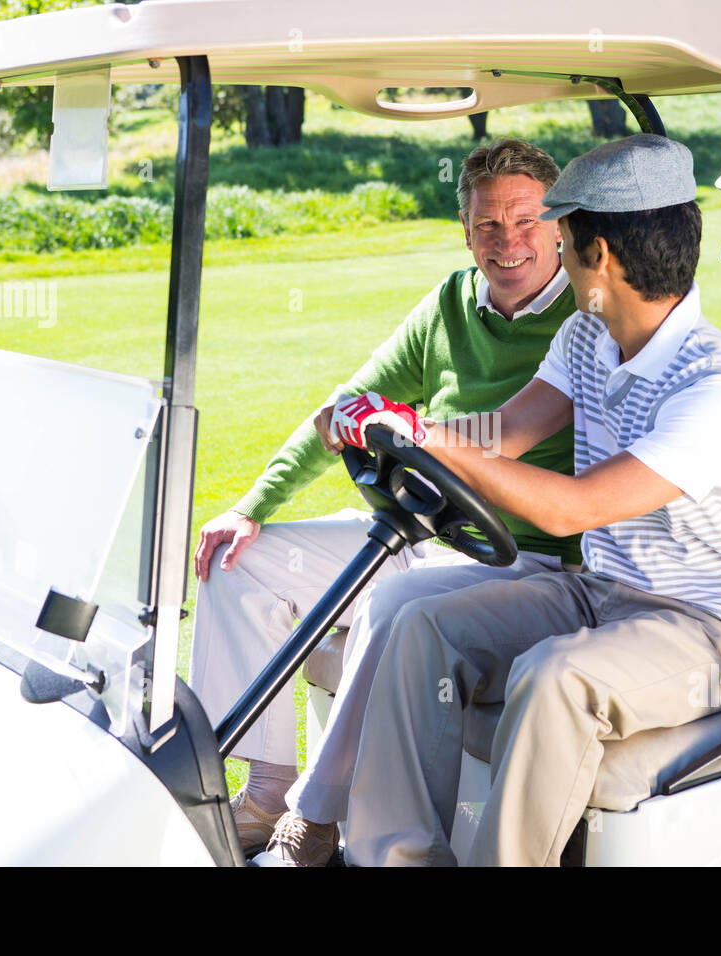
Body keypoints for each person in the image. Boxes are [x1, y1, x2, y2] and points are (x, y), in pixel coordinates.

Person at [337, 134, 721, 866]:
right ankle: (394, 858)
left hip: (718, 633)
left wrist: (425, 433)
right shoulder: (589, 332)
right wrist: (407, 431)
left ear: (600, 255)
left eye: (562, 233)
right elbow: (509, 432)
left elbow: (570, 510)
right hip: (601, 591)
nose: (545, 245)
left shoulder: (715, 389)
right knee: (420, 623)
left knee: (555, 678)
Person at [188, 138, 584, 863]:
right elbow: (346, 405)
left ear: (558, 223)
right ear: (465, 232)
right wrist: (253, 505)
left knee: (385, 607)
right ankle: (265, 792)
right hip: (426, 534)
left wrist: (412, 427)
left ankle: (317, 823)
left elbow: (509, 436)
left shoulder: (586, 320)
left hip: (522, 560)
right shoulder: (449, 305)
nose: (508, 243)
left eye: (525, 221)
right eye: (487, 226)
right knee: (237, 561)